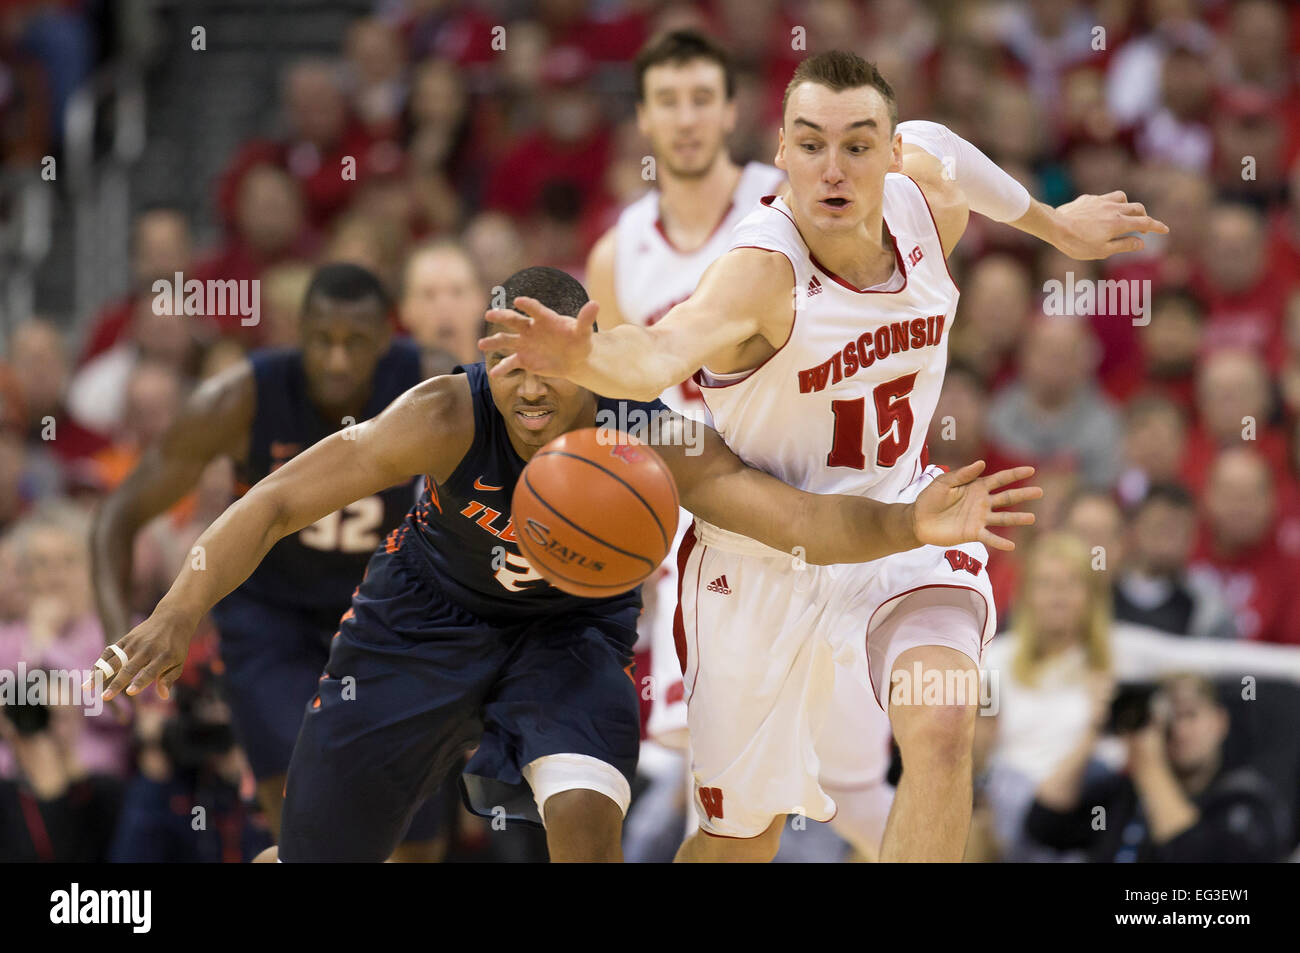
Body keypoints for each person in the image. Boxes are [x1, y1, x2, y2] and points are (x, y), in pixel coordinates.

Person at [89, 265, 1039, 863]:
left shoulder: (651, 435)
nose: (533, 385)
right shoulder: (442, 413)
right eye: (510, 363)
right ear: (483, 360)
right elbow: (275, 500)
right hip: (419, 623)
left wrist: (908, 520)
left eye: (556, 362)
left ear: (596, 358)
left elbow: (792, 518)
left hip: (568, 636)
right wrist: (177, 609)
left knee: (586, 824)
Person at [482, 49, 1167, 861]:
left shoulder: (924, 205)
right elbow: (657, 353)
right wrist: (582, 358)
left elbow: (943, 143)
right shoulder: (760, 274)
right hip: (763, 557)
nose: (833, 169)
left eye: (857, 145)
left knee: (943, 726)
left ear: (888, 154)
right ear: (780, 152)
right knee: (744, 837)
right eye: (810, 144)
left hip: (902, 523)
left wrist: (1053, 225)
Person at [585, 29, 893, 859]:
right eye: (667, 102)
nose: (685, 119)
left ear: (731, 111)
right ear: (643, 121)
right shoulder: (619, 252)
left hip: (820, 497)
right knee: (715, 782)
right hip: (703, 528)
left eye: (701, 98)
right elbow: (622, 410)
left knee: (853, 787)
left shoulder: (795, 196)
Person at [89, 263, 445, 858]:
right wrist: (114, 631)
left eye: (354, 342)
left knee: (413, 838)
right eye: (321, 341)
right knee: (303, 816)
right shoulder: (239, 397)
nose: (336, 360)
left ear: (386, 338)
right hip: (271, 619)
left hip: (389, 615)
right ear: (296, 332)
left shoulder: (432, 384)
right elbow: (117, 515)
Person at [1026, 673, 1290, 862]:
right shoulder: (1126, 792)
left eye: (1190, 715)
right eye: (1169, 717)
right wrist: (1095, 730)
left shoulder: (1244, 801)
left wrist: (1150, 765)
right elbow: (1043, 823)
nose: (1179, 730)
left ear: (1220, 722)